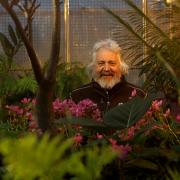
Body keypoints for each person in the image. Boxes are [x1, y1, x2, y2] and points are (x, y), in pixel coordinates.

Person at [71, 39, 146, 113]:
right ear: (93, 66)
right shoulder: (77, 96)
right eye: (101, 63)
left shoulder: (139, 95)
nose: (106, 69)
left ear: (121, 66)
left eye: (112, 63)